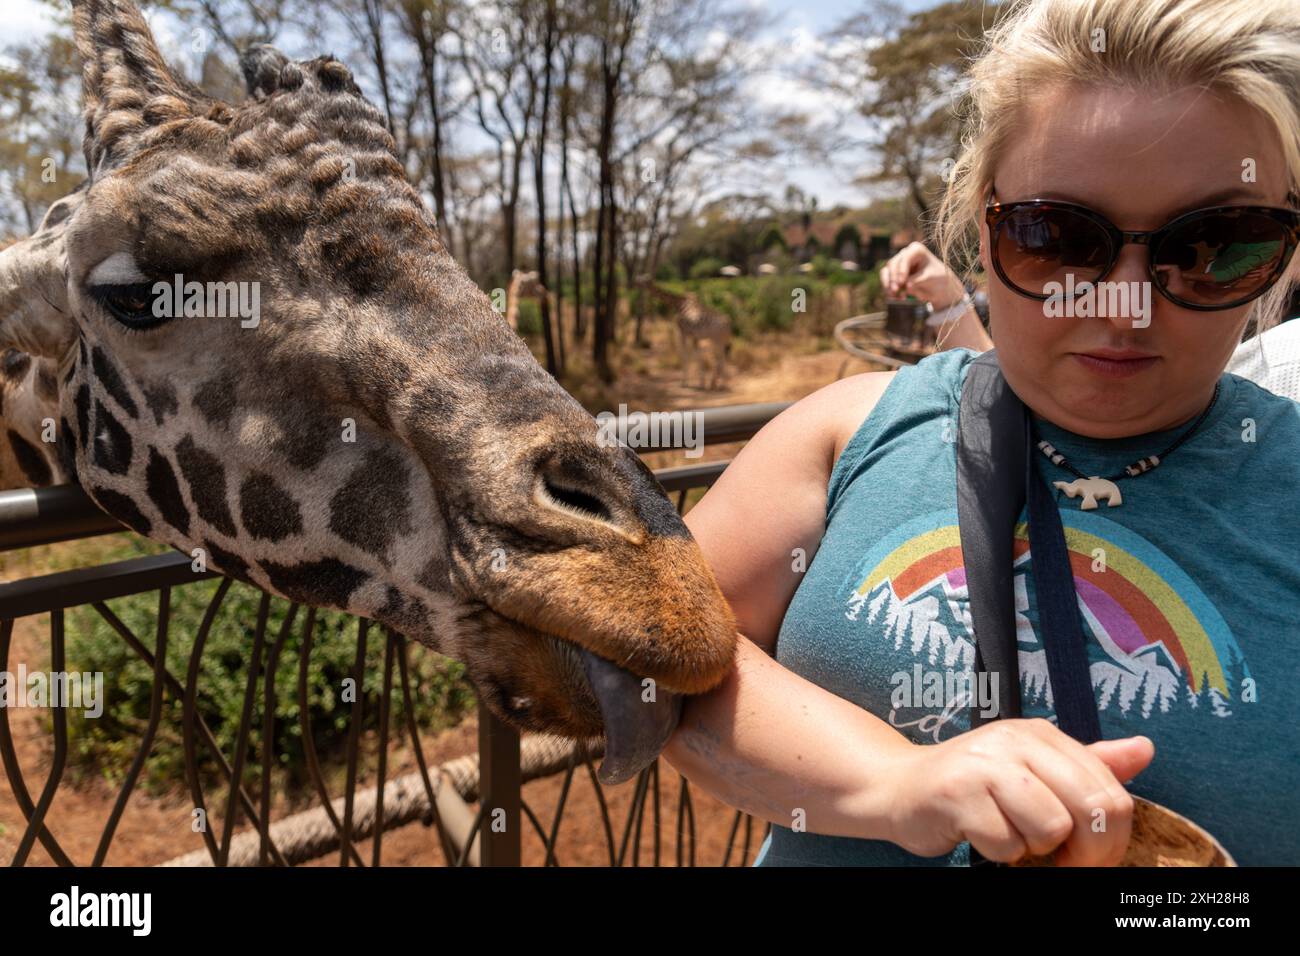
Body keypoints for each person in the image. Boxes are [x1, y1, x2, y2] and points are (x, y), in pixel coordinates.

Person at [662, 0, 1300, 866]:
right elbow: (649, 661)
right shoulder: (851, 428)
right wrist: (892, 787)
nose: (1122, 302)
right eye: (1057, 236)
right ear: (982, 218)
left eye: (1218, 244)